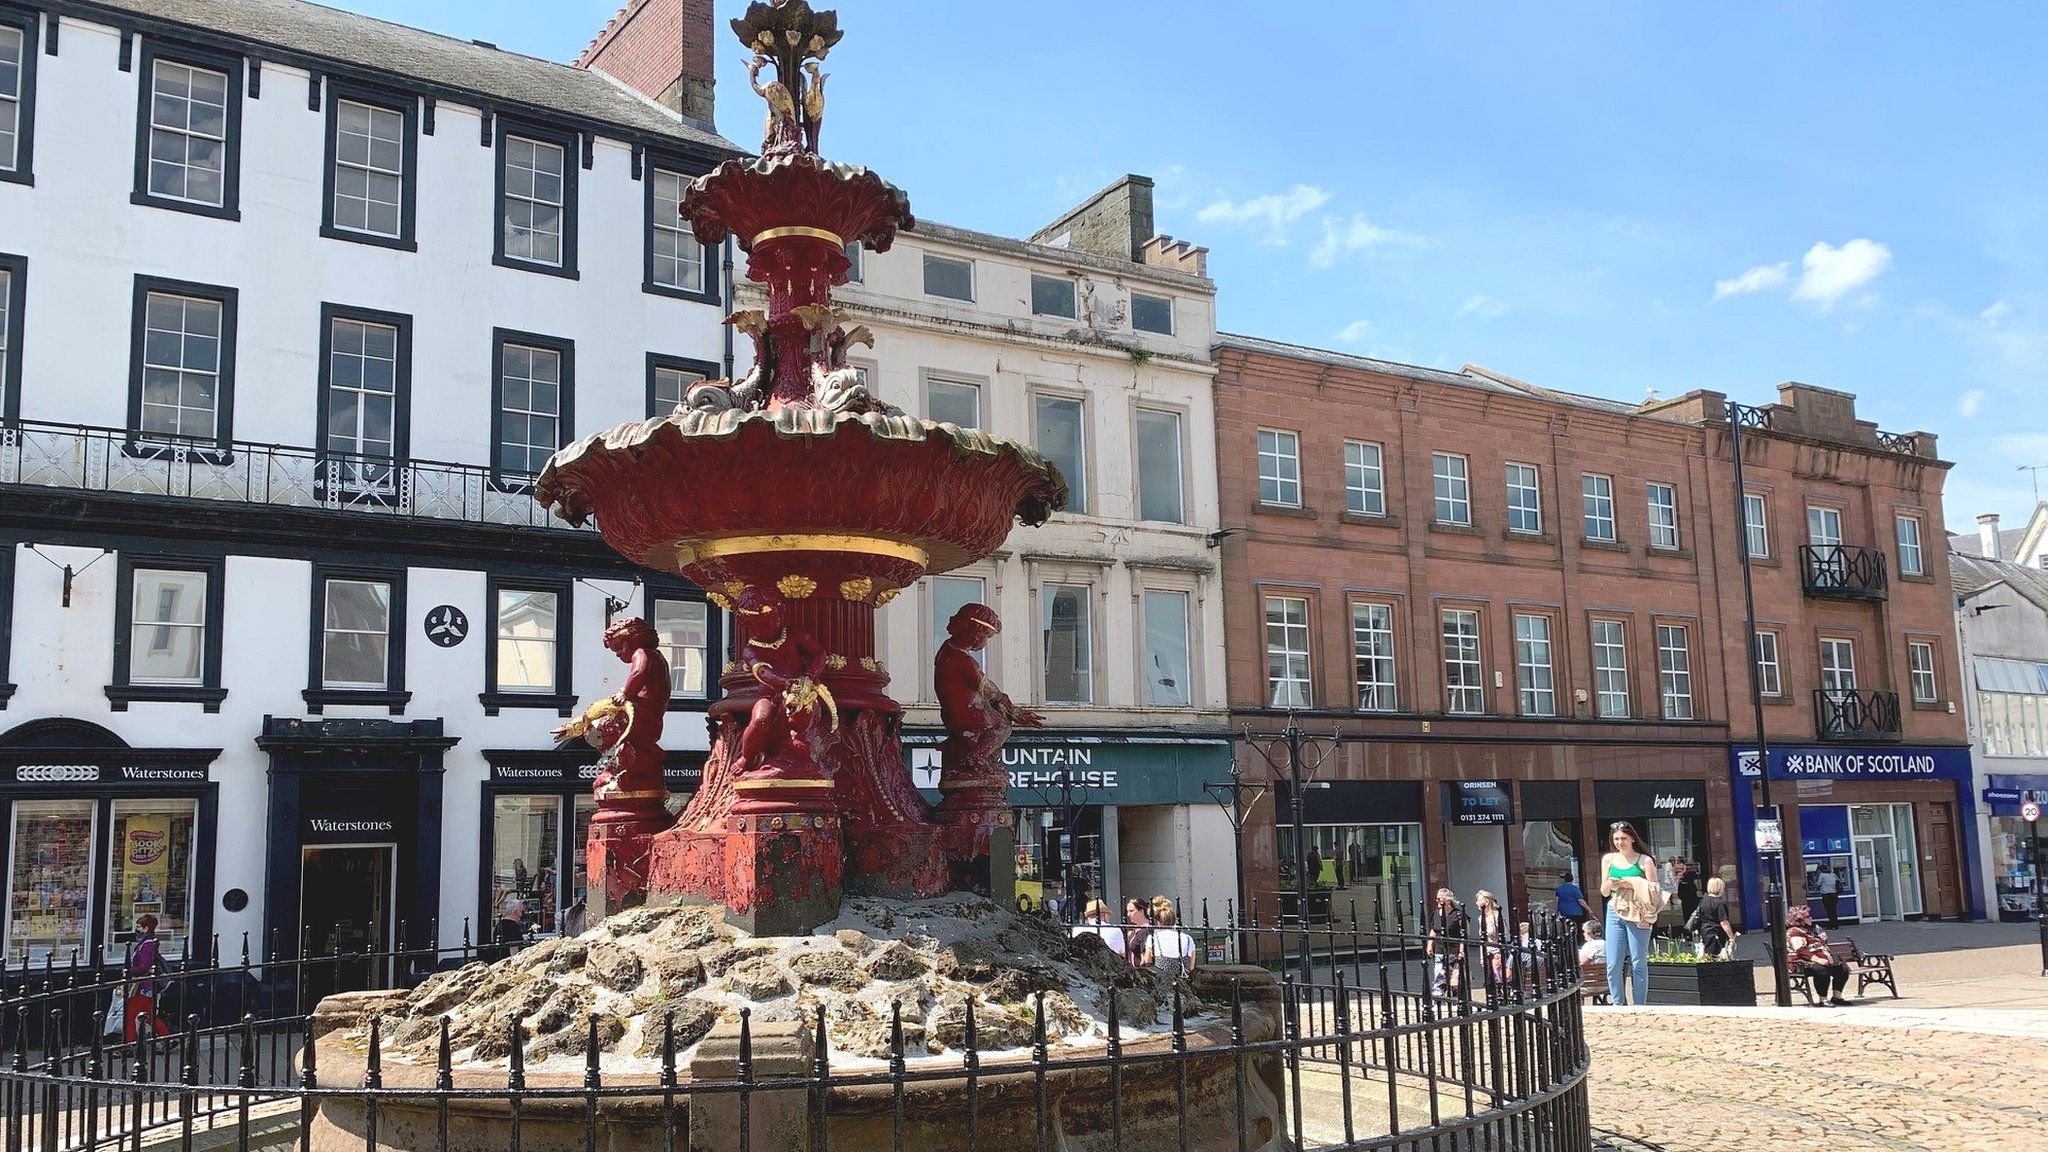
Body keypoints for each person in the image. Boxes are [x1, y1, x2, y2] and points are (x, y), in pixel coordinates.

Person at [1599, 820, 1663, 1006]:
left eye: (1624, 838)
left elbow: (1654, 890)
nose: (1620, 842)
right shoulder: (1608, 859)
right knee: (1613, 963)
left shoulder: (1645, 860)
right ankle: (1618, 1004)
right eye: (1616, 839)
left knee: (1638, 962)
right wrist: (1612, 882)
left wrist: (1632, 882)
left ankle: (1640, 1004)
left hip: (1638, 911)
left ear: (1633, 838)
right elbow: (1604, 891)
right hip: (1615, 909)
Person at [1786, 906, 1852, 1006]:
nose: (1811, 918)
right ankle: (1823, 999)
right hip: (1801, 963)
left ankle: (1837, 997)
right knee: (1822, 971)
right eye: (1808, 916)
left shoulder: (1808, 930)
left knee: (1842, 969)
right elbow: (1800, 950)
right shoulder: (1795, 932)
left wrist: (1823, 940)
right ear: (1800, 920)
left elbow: (1817, 946)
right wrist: (1817, 959)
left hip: (1814, 961)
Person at [124, 915, 170, 1042]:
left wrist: (129, 971)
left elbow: (145, 966)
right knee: (149, 1015)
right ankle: (168, 1038)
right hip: (147, 986)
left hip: (142, 985)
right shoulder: (147, 943)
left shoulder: (148, 944)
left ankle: (129, 1043)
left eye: (139, 927)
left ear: (146, 928)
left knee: (130, 1014)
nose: (137, 930)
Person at [1426, 888, 1469, 999]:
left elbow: (1463, 935)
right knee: (1439, 976)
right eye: (1437, 899)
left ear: (1448, 900)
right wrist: (1430, 944)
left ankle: (1446, 998)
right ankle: (1439, 999)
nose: (1437, 901)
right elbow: (1433, 930)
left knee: (1450, 979)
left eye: (1440, 899)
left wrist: (1461, 951)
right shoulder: (1435, 914)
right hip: (1439, 950)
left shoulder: (1457, 915)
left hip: (1453, 951)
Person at [1149, 896, 1198, 977]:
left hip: (1161, 982)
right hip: (1183, 982)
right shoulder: (1188, 939)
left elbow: (1147, 963)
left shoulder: (1153, 938)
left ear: (1158, 921)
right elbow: (1191, 967)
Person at [1689, 877, 1736, 958]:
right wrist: (1731, 937)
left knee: (1708, 956)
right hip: (1716, 933)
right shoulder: (1720, 903)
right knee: (1717, 956)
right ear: (1720, 888)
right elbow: (1724, 923)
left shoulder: (1703, 901)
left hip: (1704, 932)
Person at [1474, 890, 1508, 984]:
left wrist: (1500, 954)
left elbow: (1504, 936)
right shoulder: (1481, 918)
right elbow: (1482, 939)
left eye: (1479, 900)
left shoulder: (1496, 916)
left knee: (1499, 980)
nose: (1476, 903)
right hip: (1487, 953)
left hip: (1496, 953)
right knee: (1490, 981)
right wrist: (1482, 957)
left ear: (1486, 901)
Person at [1122, 897, 1155, 968]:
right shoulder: (1132, 929)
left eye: (1131, 911)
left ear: (1141, 911)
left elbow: (1145, 956)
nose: (1128, 914)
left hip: (1140, 970)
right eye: (1127, 911)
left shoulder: (1147, 929)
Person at [492, 896, 527, 960]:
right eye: (522, 911)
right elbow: (514, 948)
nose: (522, 915)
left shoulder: (499, 925)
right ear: (516, 912)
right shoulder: (513, 927)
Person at [1673, 860, 1701, 931]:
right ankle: (1693, 929)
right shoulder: (1691, 884)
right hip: (1692, 903)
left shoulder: (1682, 883)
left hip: (1685, 903)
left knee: (1686, 916)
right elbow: (1695, 894)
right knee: (1693, 917)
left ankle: (1687, 929)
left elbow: (1679, 894)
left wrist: (1684, 899)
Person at [1811, 864, 1841, 929]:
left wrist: (1813, 885)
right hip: (1834, 894)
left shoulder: (1822, 875)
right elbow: (1838, 881)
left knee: (1829, 910)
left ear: (1821, 870)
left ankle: (1831, 925)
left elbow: (1818, 884)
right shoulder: (1833, 874)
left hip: (1826, 895)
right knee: (1833, 910)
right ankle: (1836, 925)